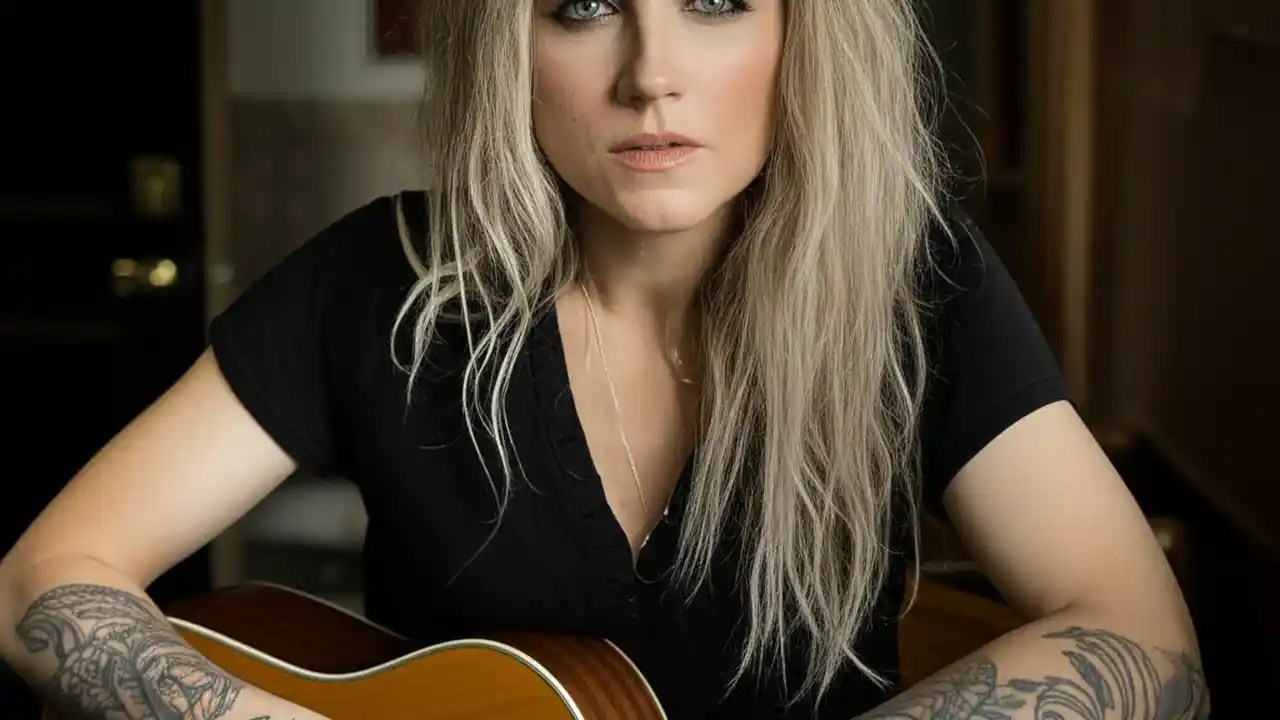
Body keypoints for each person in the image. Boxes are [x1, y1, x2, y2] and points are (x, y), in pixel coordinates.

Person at [0, 1, 1208, 718]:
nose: (650, 74)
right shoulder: (382, 279)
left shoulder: (916, 284)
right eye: (581, 3)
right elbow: (45, 572)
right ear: (506, 42)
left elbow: (1144, 643)